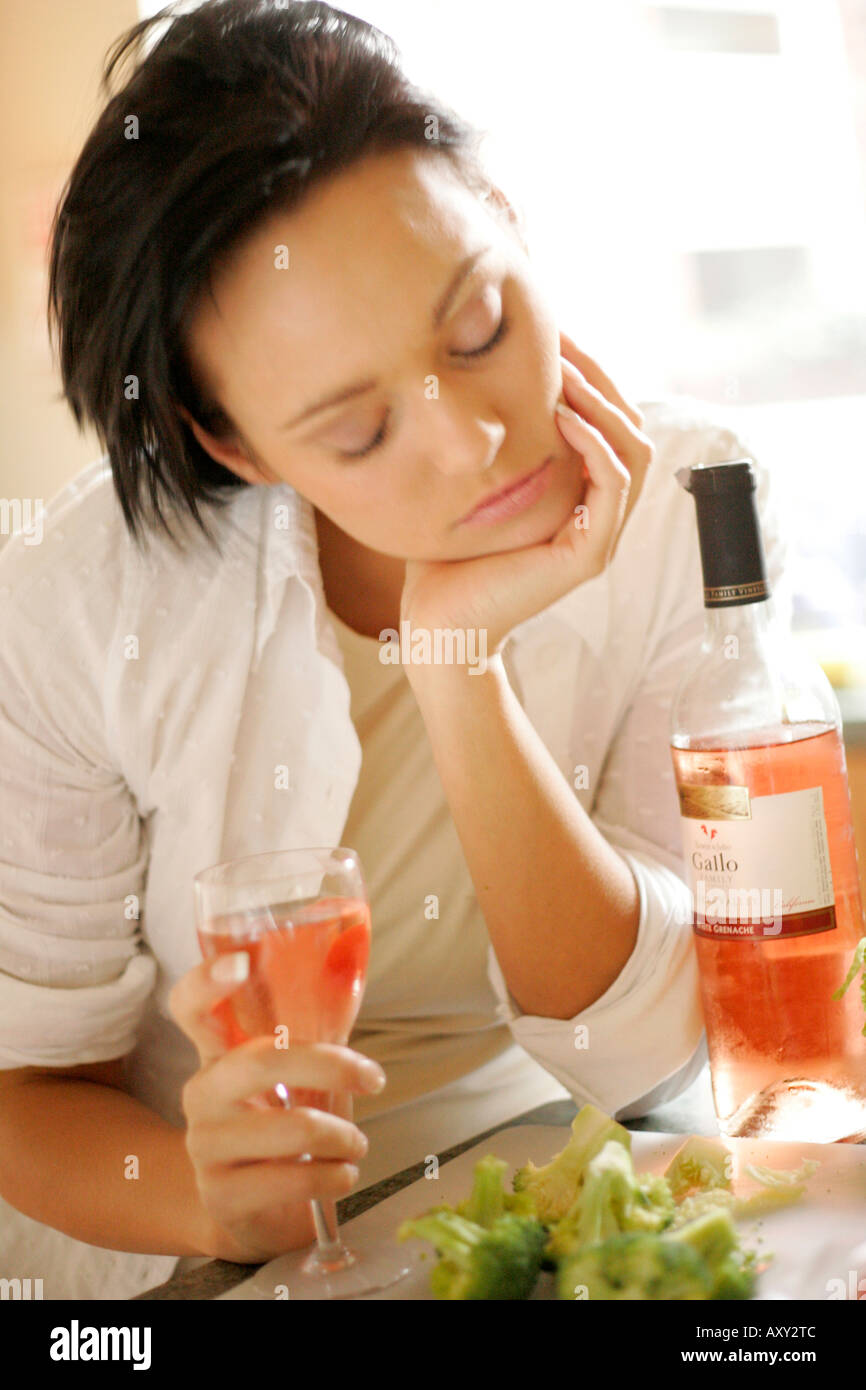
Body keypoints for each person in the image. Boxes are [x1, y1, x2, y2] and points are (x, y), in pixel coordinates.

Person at [0, 0, 784, 1299]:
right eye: (355, 433)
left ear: (505, 210)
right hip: (192, 1261)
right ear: (236, 448)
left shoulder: (689, 496)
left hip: (550, 1177)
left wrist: (457, 669)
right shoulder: (79, 605)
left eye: (477, 329)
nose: (469, 438)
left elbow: (652, 1051)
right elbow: (25, 1087)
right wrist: (208, 1195)